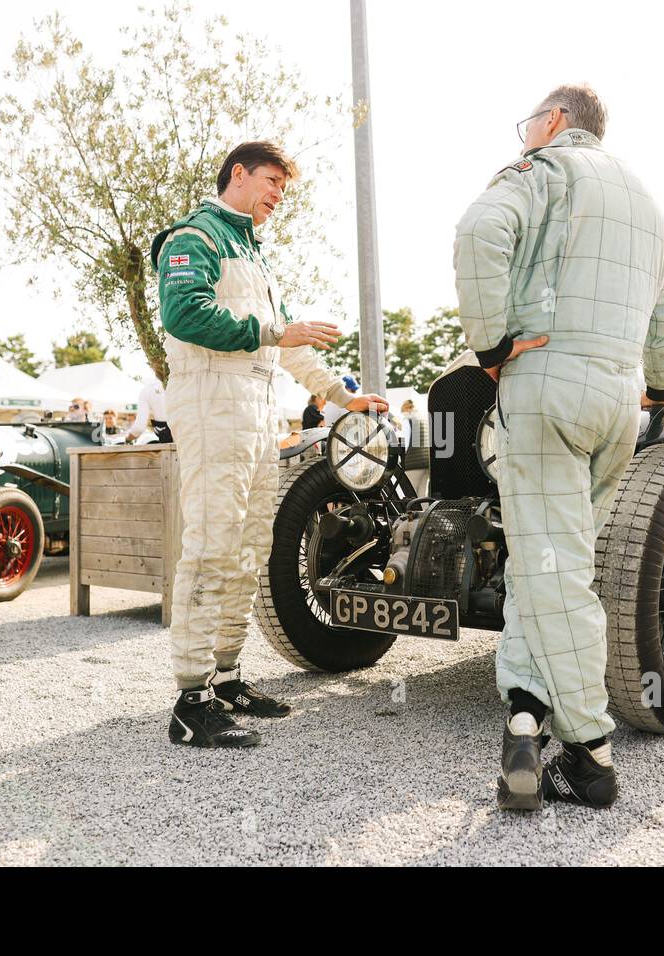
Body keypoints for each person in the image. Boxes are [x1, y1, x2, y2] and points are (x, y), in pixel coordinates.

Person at [454, 84, 664, 811]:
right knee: (547, 560)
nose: (526, 135)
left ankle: (591, 752)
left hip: (548, 380)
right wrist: (661, 388)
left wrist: (490, 343)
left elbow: (478, 232)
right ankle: (524, 718)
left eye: (531, 123)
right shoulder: (645, 200)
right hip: (618, 400)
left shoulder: (542, 170)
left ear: (553, 122)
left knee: (559, 570)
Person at [151, 140, 386, 748]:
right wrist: (278, 330)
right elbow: (184, 315)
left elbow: (286, 345)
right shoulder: (193, 237)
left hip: (257, 407)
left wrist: (341, 395)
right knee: (211, 543)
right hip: (210, 398)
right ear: (238, 174)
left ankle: (227, 678)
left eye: (284, 186)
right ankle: (189, 698)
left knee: (251, 545)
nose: (278, 195)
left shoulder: (253, 252)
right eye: (272, 181)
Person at [126, 377, 172, 444]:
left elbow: (139, 428)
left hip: (168, 439)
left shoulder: (148, 389)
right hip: (188, 434)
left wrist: (128, 439)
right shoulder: (185, 381)